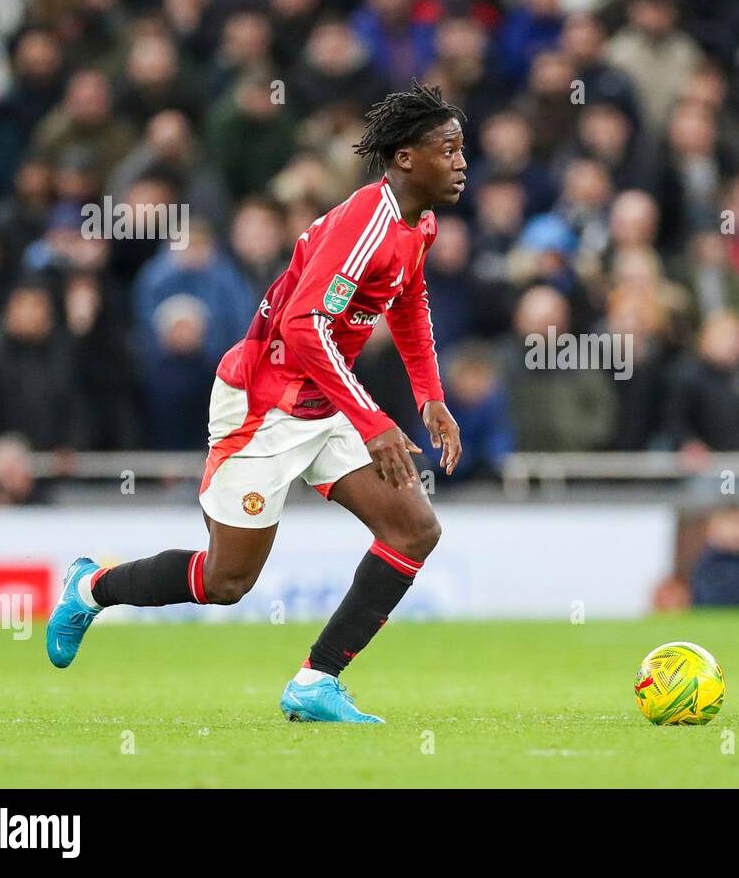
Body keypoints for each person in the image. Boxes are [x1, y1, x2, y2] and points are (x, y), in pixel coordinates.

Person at [45, 83, 468, 724]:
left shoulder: (418, 226)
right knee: (227, 583)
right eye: (449, 149)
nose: (463, 161)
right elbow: (304, 325)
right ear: (406, 158)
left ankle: (315, 682)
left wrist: (429, 396)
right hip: (263, 402)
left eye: (462, 149)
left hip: (323, 401)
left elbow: (407, 302)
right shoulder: (367, 223)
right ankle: (90, 587)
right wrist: (376, 420)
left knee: (414, 528)